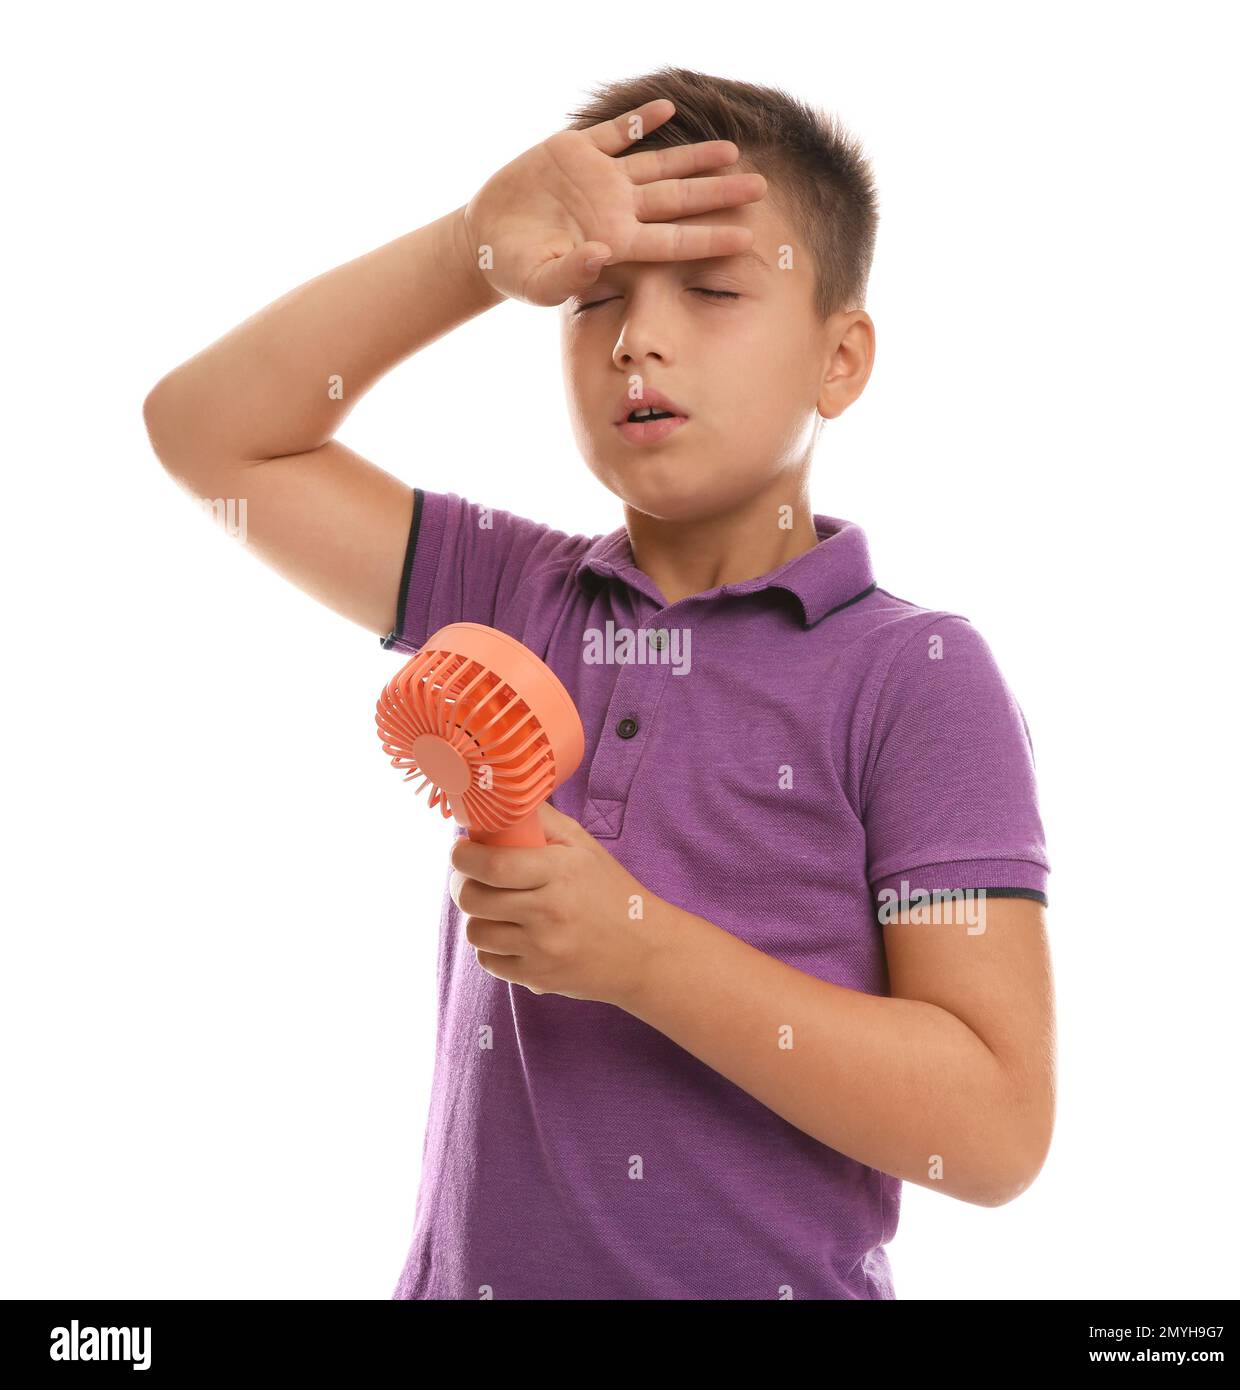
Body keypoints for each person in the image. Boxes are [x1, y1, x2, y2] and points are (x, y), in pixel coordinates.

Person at [143, 65, 1055, 1300]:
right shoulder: (509, 588)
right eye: (592, 297)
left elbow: (993, 1129)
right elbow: (209, 433)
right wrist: (471, 250)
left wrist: (640, 953)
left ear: (839, 360)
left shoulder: (915, 678)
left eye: (714, 289)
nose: (637, 337)